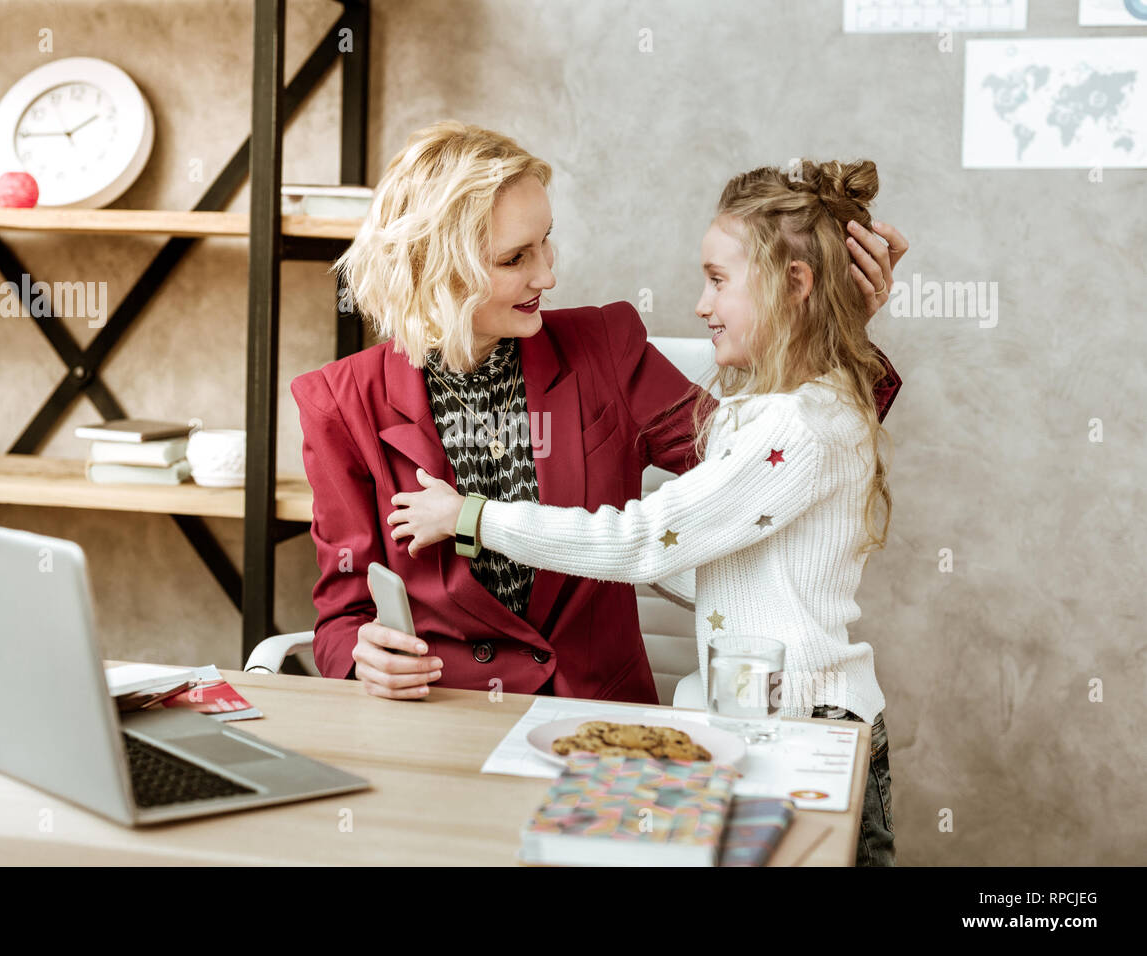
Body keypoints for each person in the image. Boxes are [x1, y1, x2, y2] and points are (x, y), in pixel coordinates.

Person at [387, 158, 899, 865]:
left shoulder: (793, 424)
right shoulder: (783, 411)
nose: (700, 305)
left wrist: (472, 517)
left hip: (801, 728)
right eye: (517, 255)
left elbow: (648, 540)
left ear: (796, 286)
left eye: (718, 281)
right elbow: (705, 557)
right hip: (747, 717)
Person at [291, 120, 906, 708]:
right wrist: (359, 654)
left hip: (596, 720)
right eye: (515, 259)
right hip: (442, 718)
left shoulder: (604, 346)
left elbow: (754, 457)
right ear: (434, 267)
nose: (548, 274)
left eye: (546, 242)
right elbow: (341, 618)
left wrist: (832, 326)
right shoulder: (340, 402)